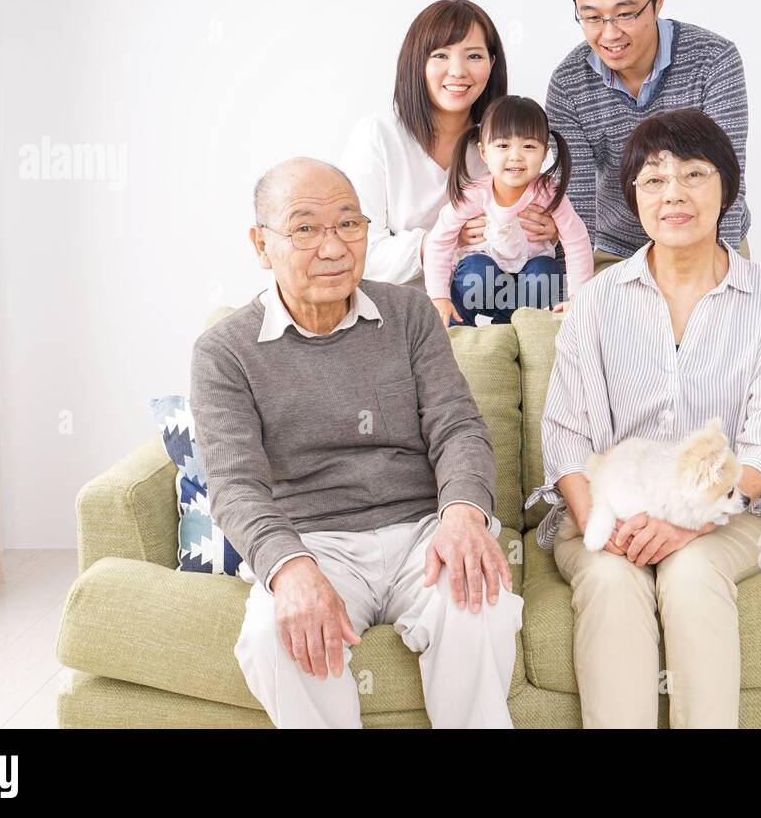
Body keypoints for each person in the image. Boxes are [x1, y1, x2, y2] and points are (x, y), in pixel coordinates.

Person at [191, 156, 523, 728]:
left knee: (479, 605)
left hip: (425, 529)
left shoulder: (410, 314)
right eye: (305, 228)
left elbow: (458, 426)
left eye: (349, 223)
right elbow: (235, 486)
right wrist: (290, 568)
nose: (334, 246)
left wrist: (464, 514)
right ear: (261, 244)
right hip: (312, 541)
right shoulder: (225, 351)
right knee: (276, 634)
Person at [524, 109, 761, 728]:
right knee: (609, 583)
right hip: (608, 511)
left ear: (725, 189)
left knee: (690, 577)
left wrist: (686, 524)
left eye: (693, 174)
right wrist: (616, 527)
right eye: (653, 179)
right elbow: (567, 442)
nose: (673, 193)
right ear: (633, 196)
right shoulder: (598, 301)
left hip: (730, 512)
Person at [546, 0, 753, 275]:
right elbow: (575, 206)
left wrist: (716, 271)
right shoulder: (568, 84)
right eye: (592, 17)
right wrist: (575, 289)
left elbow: (726, 183)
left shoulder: (713, 60)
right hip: (618, 252)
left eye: (626, 13)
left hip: (709, 240)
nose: (609, 33)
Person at [340, 0, 561, 290]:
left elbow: (542, 235)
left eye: (474, 56)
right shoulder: (377, 137)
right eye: (441, 55)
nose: (458, 71)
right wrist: (439, 240)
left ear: (492, 64)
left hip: (492, 311)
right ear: (417, 61)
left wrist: (550, 231)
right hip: (402, 314)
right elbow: (356, 251)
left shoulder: (513, 142)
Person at [423, 95, 594, 327]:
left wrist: (578, 298)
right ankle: (461, 328)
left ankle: (511, 328)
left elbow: (577, 241)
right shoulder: (474, 194)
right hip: (479, 282)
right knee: (477, 270)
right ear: (484, 153)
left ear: (544, 153)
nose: (516, 156)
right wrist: (439, 298)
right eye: (503, 145)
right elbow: (439, 242)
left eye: (529, 146)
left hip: (526, 283)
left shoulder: (548, 193)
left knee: (545, 270)